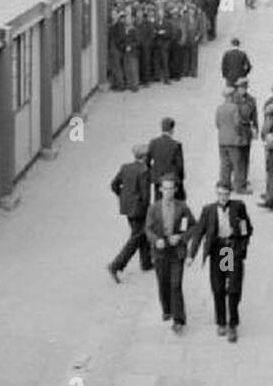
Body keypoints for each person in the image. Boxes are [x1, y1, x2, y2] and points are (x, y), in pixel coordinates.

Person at [190, 182, 253, 341]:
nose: (223, 197)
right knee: (218, 289)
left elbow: (247, 229)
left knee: (233, 289)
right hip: (218, 251)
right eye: (220, 194)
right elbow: (198, 233)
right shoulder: (208, 210)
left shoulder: (238, 207)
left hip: (230, 250)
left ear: (230, 194)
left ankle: (232, 324)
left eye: (225, 194)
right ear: (216, 194)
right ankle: (221, 322)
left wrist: (241, 244)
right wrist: (192, 255)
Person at [145, 176, 196, 331]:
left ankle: (179, 319)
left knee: (176, 285)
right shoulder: (154, 208)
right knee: (163, 284)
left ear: (175, 190)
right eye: (165, 188)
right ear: (161, 190)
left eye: (171, 188)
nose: (168, 192)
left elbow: (193, 226)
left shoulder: (182, 207)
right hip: (160, 252)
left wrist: (180, 237)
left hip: (176, 252)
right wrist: (155, 240)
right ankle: (167, 309)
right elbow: (148, 229)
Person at [108, 143, 153, 280]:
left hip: (127, 207)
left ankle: (146, 263)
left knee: (141, 234)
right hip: (139, 209)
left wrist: (122, 196)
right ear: (145, 157)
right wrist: (148, 209)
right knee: (136, 237)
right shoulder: (144, 170)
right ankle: (116, 265)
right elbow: (146, 196)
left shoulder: (125, 167)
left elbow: (114, 184)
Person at [147, 117, 185, 200]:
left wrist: (152, 173)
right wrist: (180, 179)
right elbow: (180, 165)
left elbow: (147, 161)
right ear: (172, 129)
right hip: (172, 179)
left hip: (158, 179)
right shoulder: (176, 145)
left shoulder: (153, 143)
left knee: (158, 202)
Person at [215, 88, 242, 192]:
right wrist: (239, 134)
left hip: (222, 139)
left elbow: (217, 124)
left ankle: (225, 184)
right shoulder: (234, 108)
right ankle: (238, 186)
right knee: (236, 163)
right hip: (233, 139)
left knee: (224, 163)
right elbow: (237, 123)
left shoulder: (219, 108)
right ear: (230, 96)